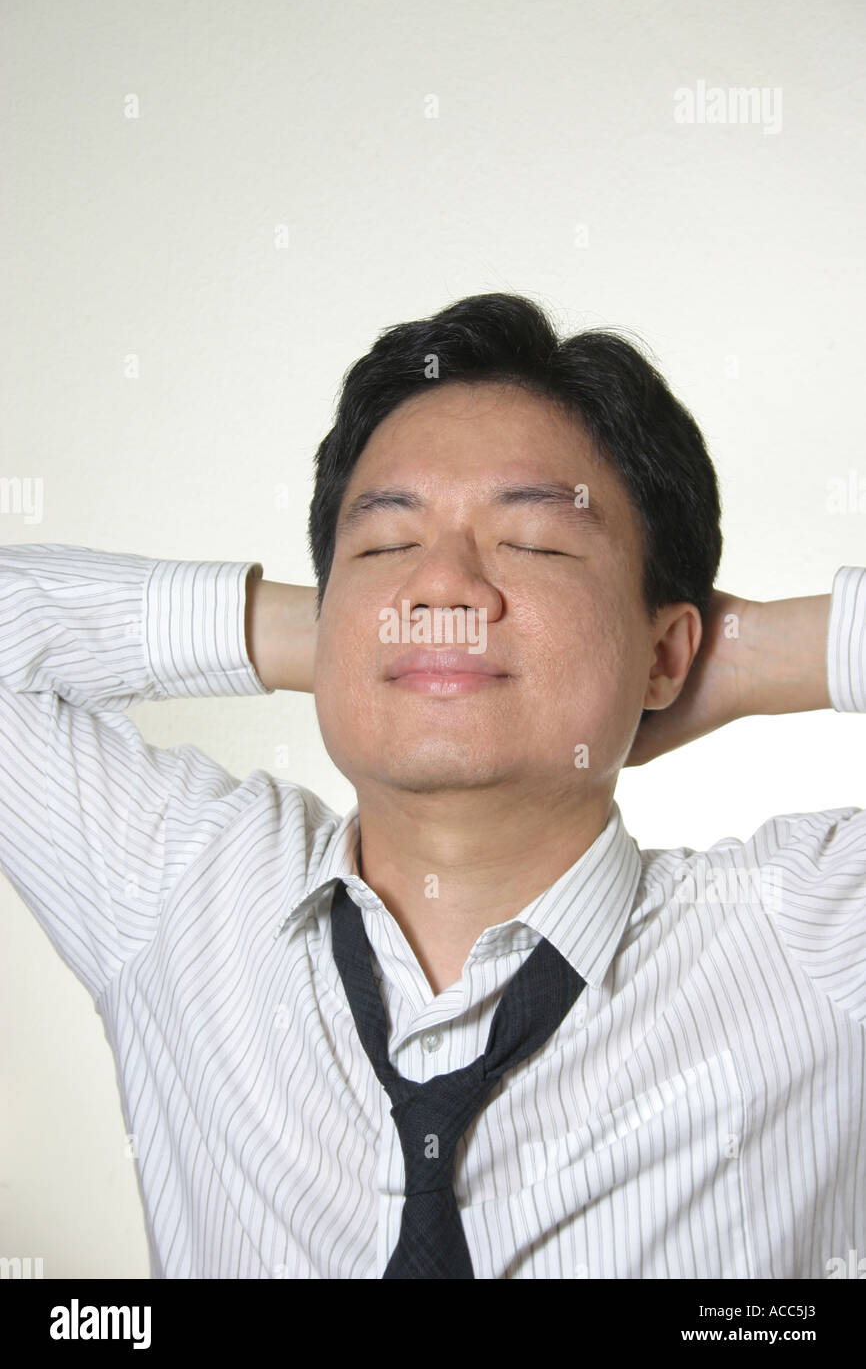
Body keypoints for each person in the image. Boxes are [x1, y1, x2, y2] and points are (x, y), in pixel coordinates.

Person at [1, 293, 863, 1279]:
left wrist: (740, 656)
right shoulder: (184, 889)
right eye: (385, 543)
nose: (441, 583)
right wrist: (344, 634)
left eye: (532, 542)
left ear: (665, 649)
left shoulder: (806, 941)